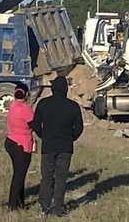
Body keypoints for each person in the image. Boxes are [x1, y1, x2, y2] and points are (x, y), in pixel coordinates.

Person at [31, 75, 84, 216]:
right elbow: (79, 128)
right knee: (61, 178)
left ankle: (44, 206)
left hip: (48, 146)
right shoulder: (73, 106)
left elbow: (35, 124)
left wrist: (44, 136)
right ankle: (57, 208)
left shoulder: (43, 104)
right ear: (66, 89)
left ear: (53, 89)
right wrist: (71, 138)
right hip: (65, 147)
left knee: (47, 177)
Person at [4, 85, 34, 210]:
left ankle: (20, 203)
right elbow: (34, 123)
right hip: (22, 144)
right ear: (26, 94)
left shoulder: (12, 105)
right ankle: (12, 205)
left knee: (18, 173)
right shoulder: (26, 109)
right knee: (19, 176)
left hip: (10, 141)